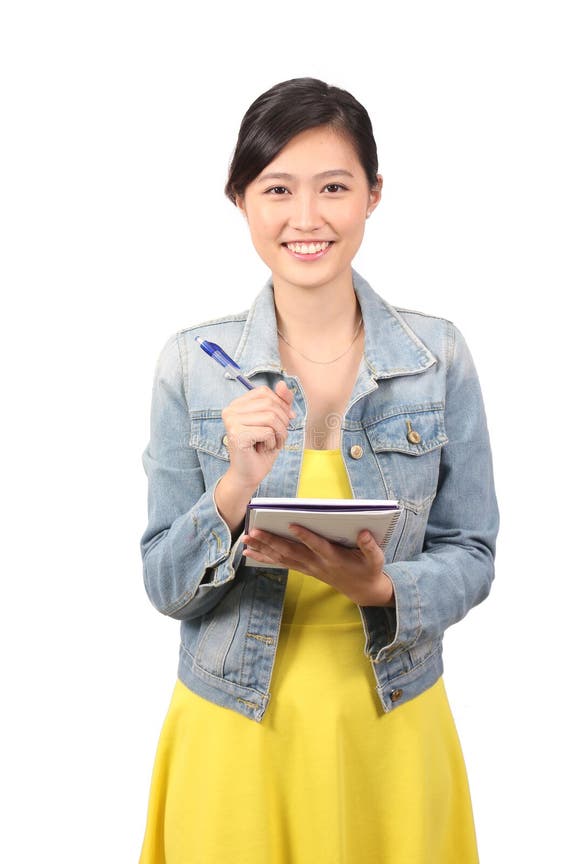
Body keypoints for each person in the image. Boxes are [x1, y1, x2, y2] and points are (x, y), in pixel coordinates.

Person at [138, 77, 499, 863]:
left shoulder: (438, 357)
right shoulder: (192, 367)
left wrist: (383, 589)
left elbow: (473, 550)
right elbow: (165, 585)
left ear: (373, 195)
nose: (307, 218)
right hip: (235, 729)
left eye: (333, 187)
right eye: (277, 189)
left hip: (390, 722)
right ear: (240, 200)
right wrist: (234, 486)